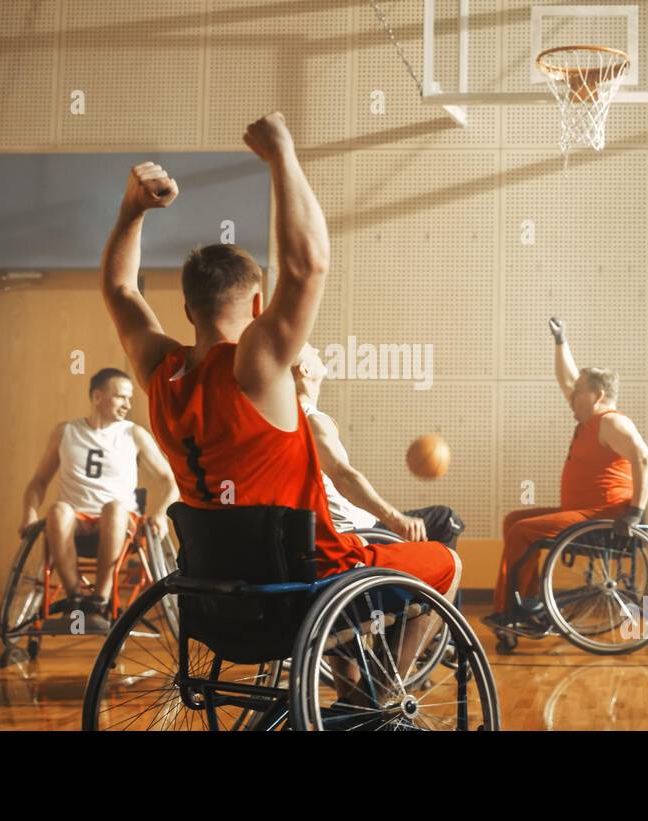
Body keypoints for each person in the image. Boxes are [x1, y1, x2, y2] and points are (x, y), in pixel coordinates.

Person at [98, 112, 460, 697]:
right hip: (311, 582)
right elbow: (309, 264)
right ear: (260, 302)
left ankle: (346, 677)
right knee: (442, 560)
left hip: (217, 593)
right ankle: (384, 692)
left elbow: (121, 290)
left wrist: (131, 210)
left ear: (188, 310)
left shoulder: (158, 372)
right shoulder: (256, 368)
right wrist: (282, 155)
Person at [485, 316, 648, 631]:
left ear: (598, 395)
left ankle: (516, 608)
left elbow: (645, 459)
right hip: (580, 512)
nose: (570, 396)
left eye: (578, 392)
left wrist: (635, 513)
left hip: (602, 515)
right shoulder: (590, 420)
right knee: (513, 521)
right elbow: (567, 380)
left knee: (522, 530)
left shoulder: (612, 422)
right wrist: (561, 342)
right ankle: (528, 600)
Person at [18, 367, 180, 632]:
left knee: (114, 509)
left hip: (119, 523)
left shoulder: (133, 434)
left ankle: (99, 600)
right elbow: (38, 482)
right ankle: (76, 599)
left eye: (129, 398)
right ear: (97, 397)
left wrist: (161, 513)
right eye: (120, 397)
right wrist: (29, 513)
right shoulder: (66, 431)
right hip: (76, 522)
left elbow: (170, 480)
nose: (128, 404)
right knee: (58, 509)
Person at [292, 343, 464, 556]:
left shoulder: (291, 420)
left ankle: (422, 578)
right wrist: (394, 518)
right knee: (445, 519)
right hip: (355, 533)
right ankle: (431, 581)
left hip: (347, 528)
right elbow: (343, 475)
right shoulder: (312, 419)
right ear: (305, 370)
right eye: (310, 348)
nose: (317, 351)